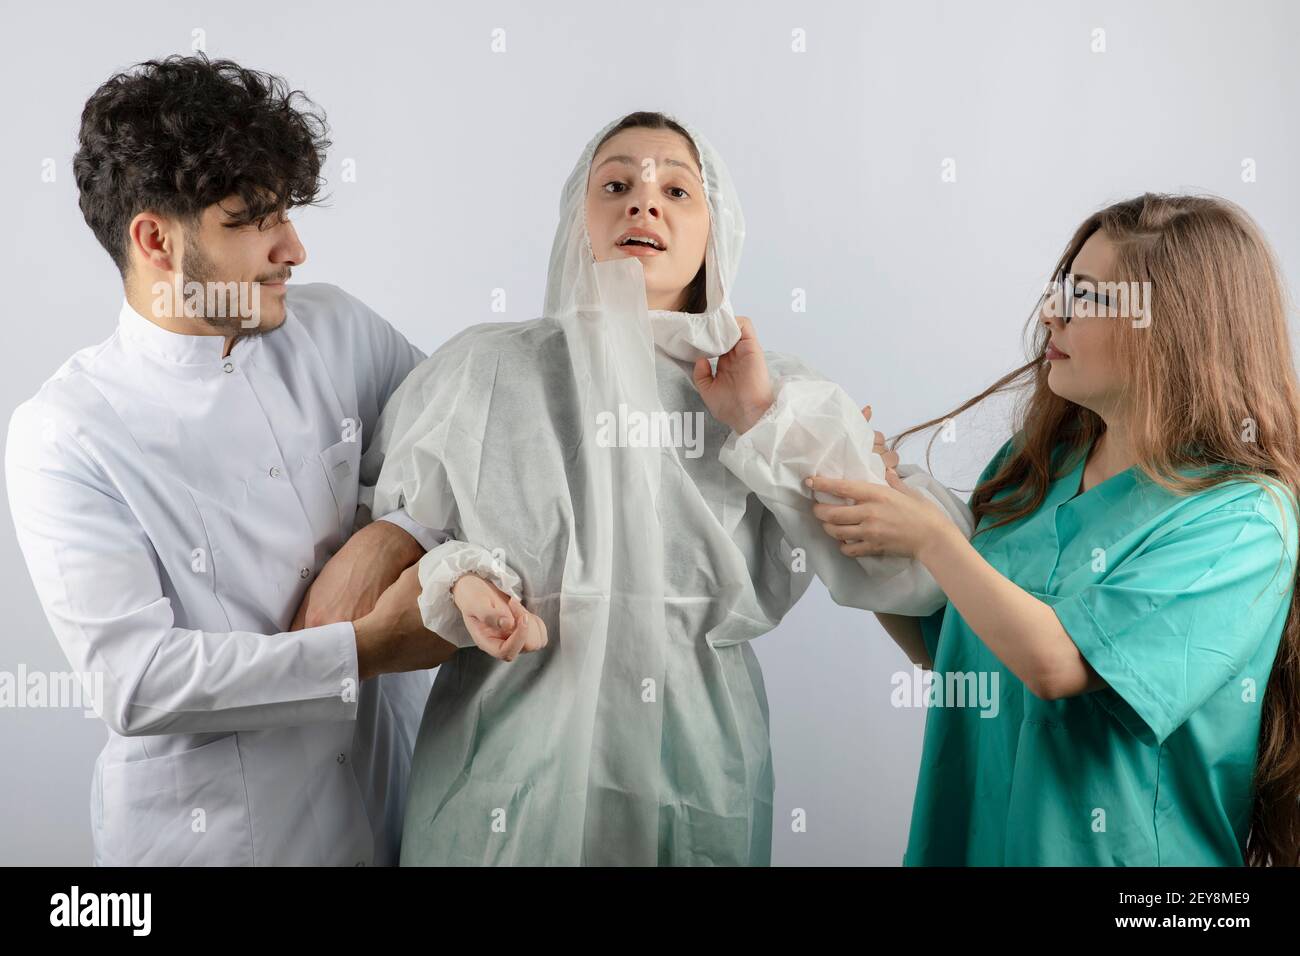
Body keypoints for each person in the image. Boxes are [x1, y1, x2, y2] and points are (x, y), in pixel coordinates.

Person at [348, 111, 974, 866]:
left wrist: (767, 421)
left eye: (678, 189)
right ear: (576, 219)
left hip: (695, 771)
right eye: (615, 183)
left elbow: (905, 571)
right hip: (502, 775)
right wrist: (464, 585)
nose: (644, 202)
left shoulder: (776, 394)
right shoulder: (484, 375)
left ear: (718, 232)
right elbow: (398, 555)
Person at [4, 54, 536, 866]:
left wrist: (385, 538)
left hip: (394, 816)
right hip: (213, 843)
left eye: (286, 212)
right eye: (254, 219)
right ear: (155, 239)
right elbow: (139, 682)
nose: (295, 248)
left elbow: (474, 437)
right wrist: (364, 650)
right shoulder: (64, 434)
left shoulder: (335, 329)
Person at [797, 194, 1300, 865]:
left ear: (1175, 328)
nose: (1051, 313)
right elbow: (948, 647)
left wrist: (930, 539)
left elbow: (1056, 664)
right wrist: (866, 516)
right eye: (1062, 289)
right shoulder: (1037, 467)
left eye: (1088, 298)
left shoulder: (1241, 522)